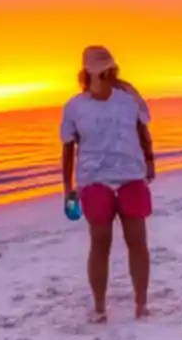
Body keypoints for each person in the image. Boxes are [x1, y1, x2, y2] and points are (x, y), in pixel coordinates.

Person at [60, 45, 157, 322]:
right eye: (100, 69)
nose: (107, 73)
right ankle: (100, 307)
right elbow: (68, 148)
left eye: (109, 68)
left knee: (137, 242)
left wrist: (150, 162)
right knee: (100, 244)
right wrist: (68, 189)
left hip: (131, 176)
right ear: (86, 72)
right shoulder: (75, 107)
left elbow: (143, 131)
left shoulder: (128, 100)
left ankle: (141, 304)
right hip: (94, 180)